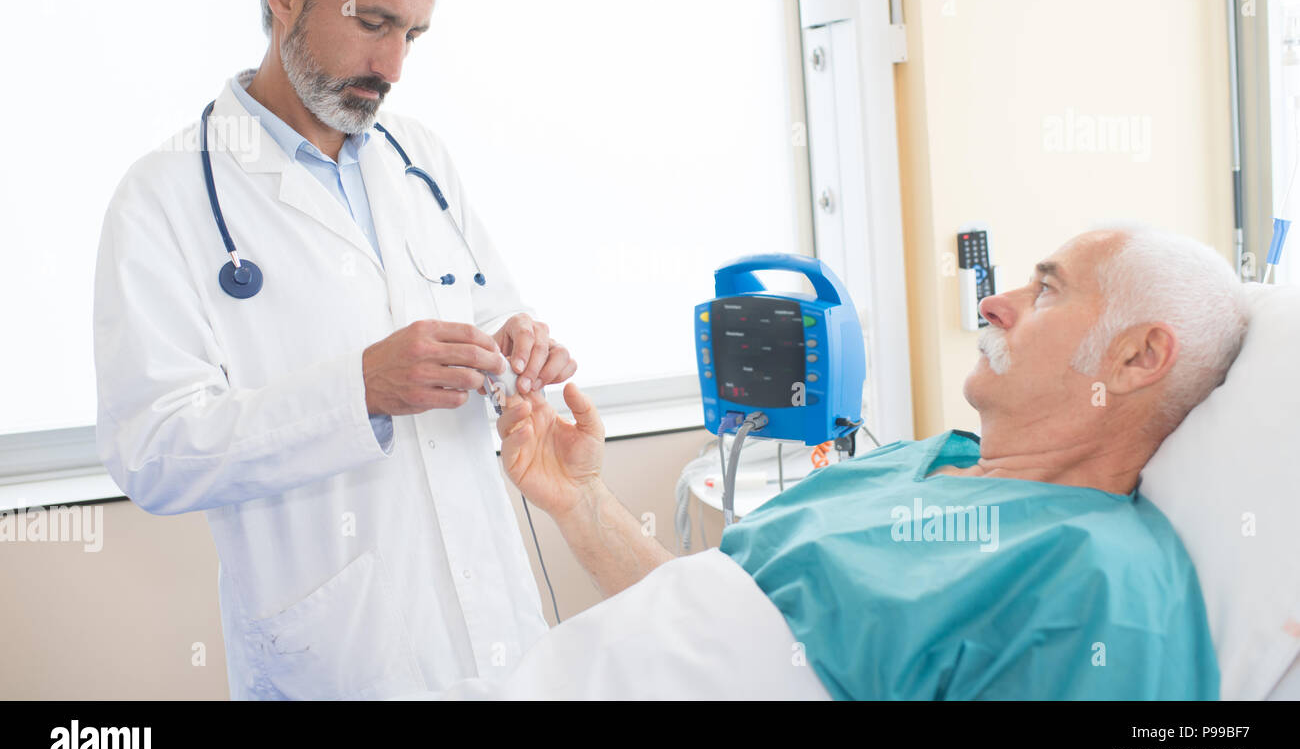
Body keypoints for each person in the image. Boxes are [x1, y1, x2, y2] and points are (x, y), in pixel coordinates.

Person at [93, 0, 575, 700]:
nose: (391, 66)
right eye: (373, 23)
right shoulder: (165, 196)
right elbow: (154, 451)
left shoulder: (418, 157)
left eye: (413, 35)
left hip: (494, 625)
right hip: (338, 655)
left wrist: (516, 345)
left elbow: (489, 309)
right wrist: (358, 393)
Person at [427, 224, 1246, 699]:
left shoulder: (1105, 578)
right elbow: (710, 615)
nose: (995, 302)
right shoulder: (909, 464)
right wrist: (582, 502)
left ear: (1139, 358)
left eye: (1049, 291)